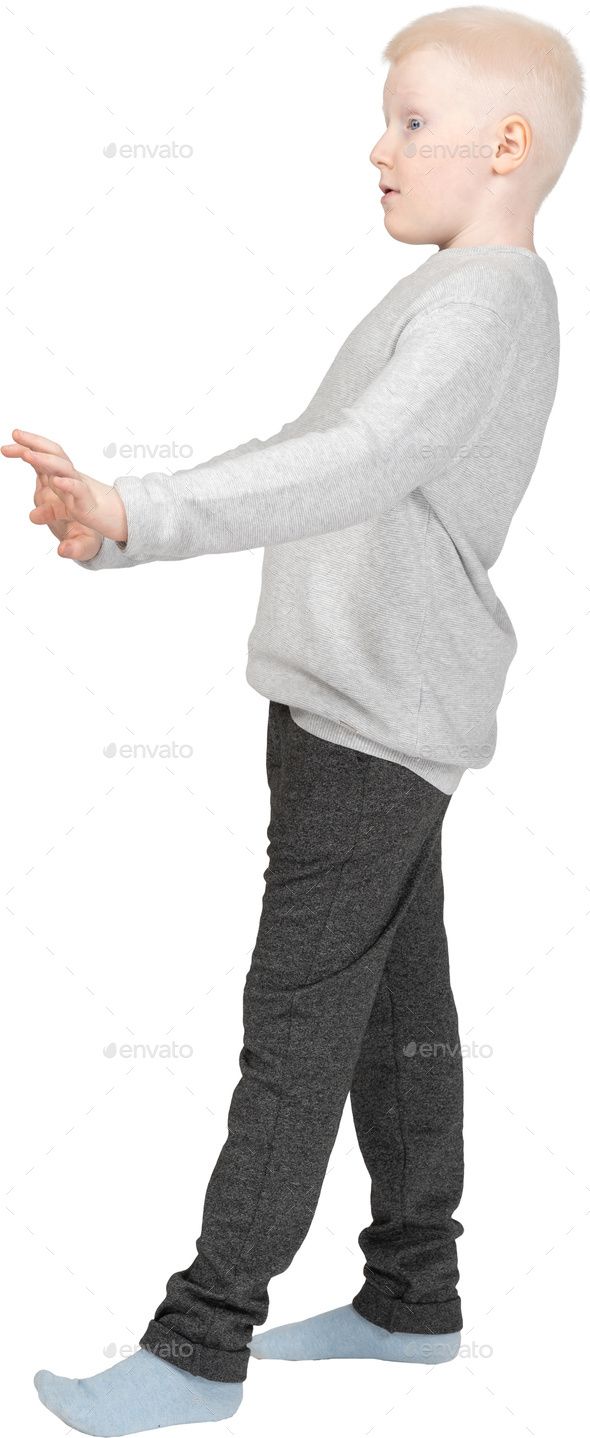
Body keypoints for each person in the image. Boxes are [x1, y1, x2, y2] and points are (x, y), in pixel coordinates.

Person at [3, 7, 584, 1434]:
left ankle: (202, 1340)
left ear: (505, 147)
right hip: (367, 702)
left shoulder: (484, 302)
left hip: (371, 716)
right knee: (395, 1011)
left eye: (410, 124)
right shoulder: (458, 296)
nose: (375, 150)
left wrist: (143, 507)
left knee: (297, 1021)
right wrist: (127, 521)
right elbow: (308, 453)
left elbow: (358, 462)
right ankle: (411, 1294)